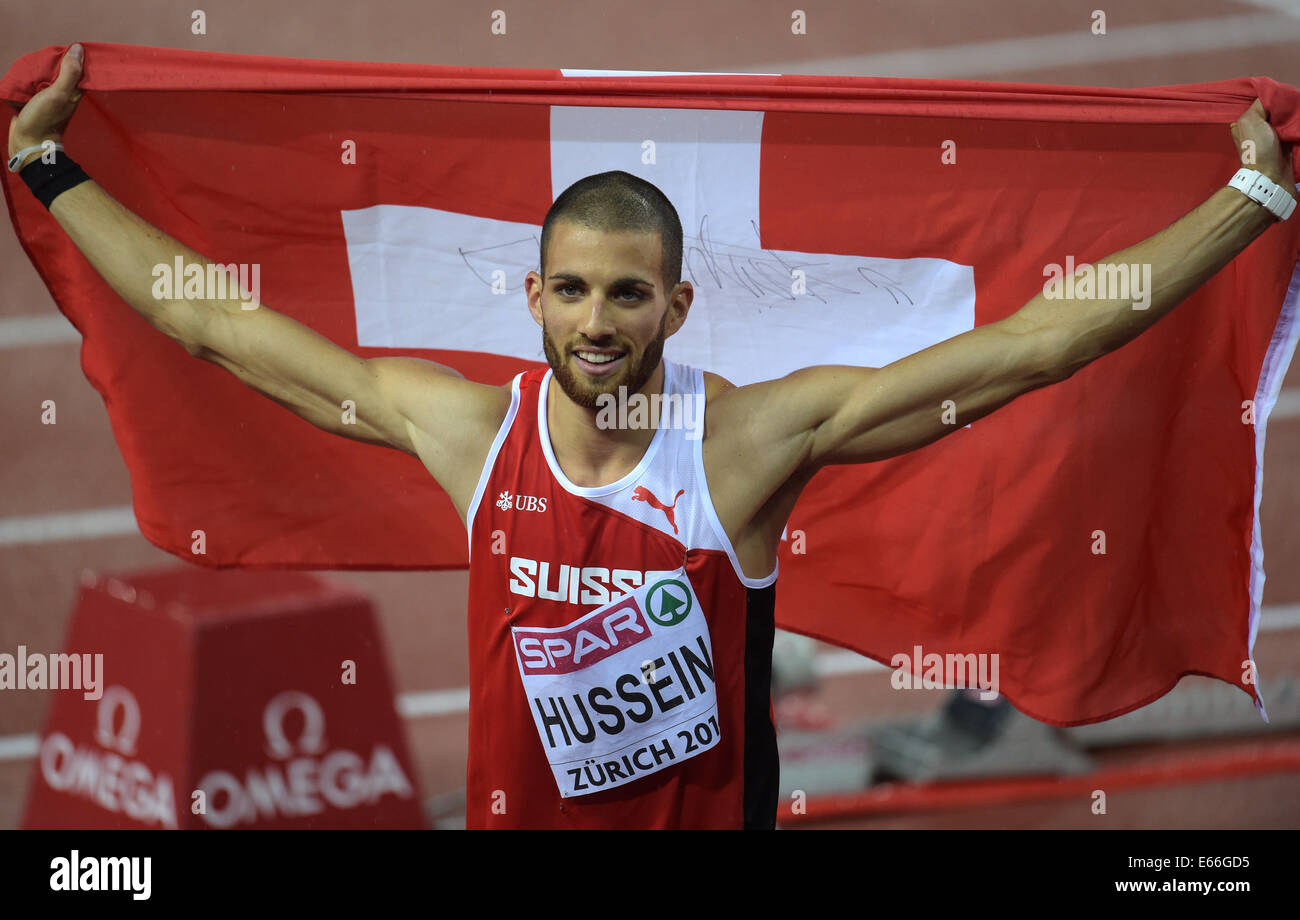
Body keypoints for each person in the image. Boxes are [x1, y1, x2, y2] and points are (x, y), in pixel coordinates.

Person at [7, 44, 1295, 829]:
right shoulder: (468, 432)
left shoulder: (742, 448)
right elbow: (215, 330)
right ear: (534, 297)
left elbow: (1034, 347)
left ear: (676, 303)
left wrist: (1249, 201)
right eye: (571, 290)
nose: (598, 320)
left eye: (629, 293)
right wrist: (52, 172)